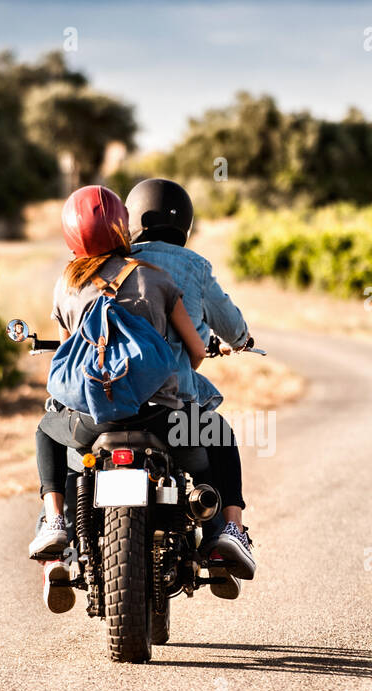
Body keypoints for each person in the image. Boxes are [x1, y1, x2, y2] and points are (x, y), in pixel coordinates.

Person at [27, 185, 225, 611]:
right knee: (210, 447)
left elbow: (66, 362)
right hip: (160, 417)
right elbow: (193, 351)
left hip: (94, 421)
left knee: (48, 429)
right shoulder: (155, 277)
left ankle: (56, 521)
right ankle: (219, 531)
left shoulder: (67, 282)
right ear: (123, 225)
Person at [124, 178, 256, 577]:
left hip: (111, 404)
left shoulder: (116, 261)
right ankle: (227, 530)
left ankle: (56, 524)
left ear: (133, 219)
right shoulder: (195, 268)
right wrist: (241, 339)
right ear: (185, 224)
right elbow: (230, 324)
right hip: (173, 406)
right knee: (219, 435)